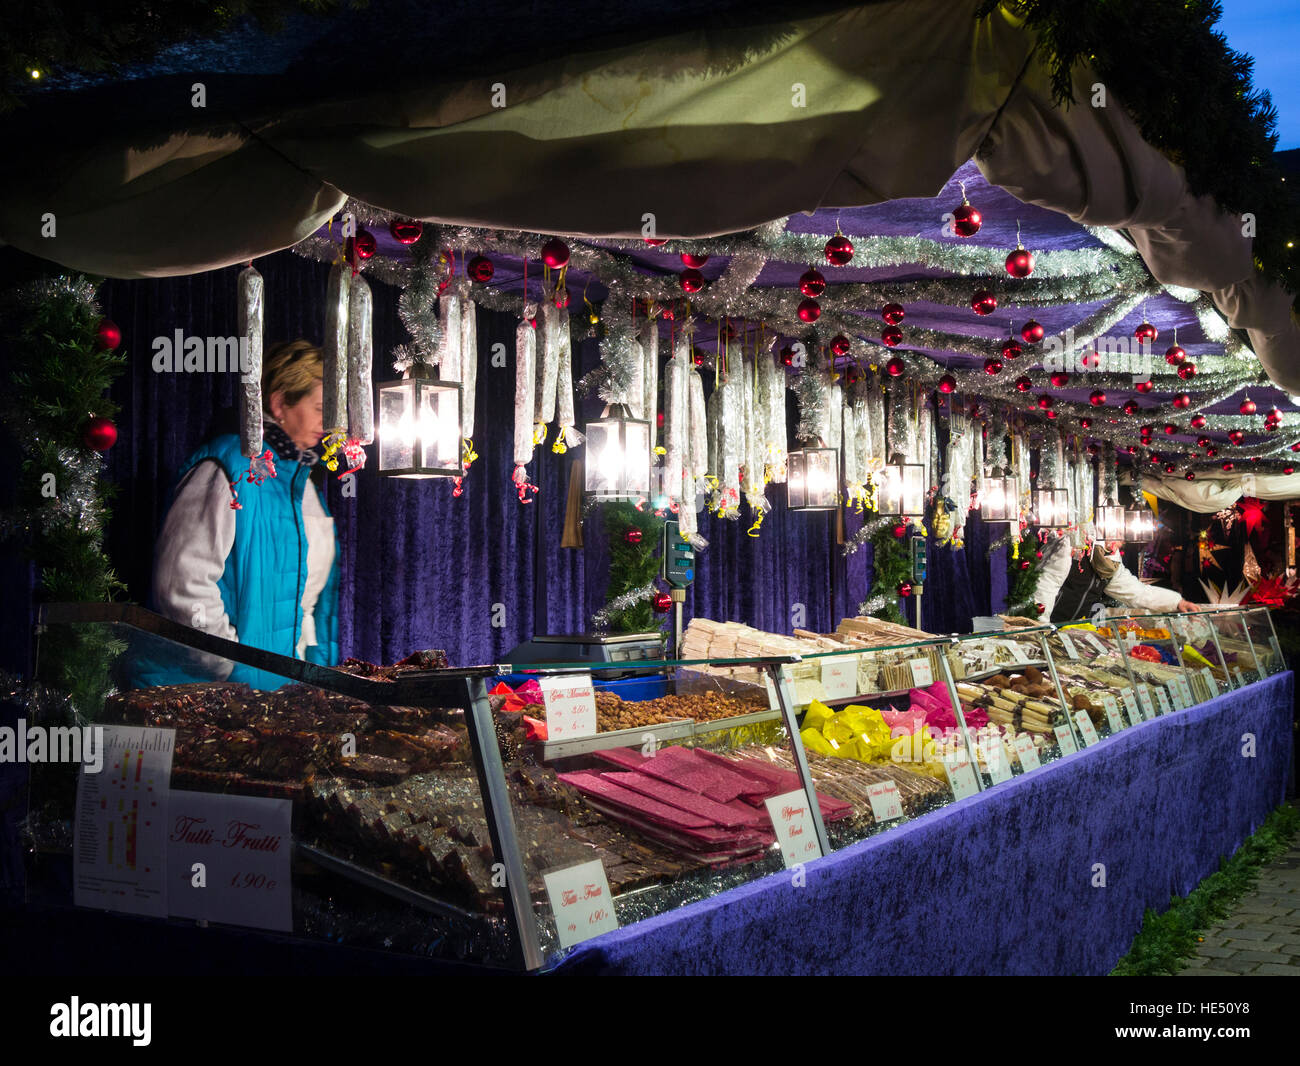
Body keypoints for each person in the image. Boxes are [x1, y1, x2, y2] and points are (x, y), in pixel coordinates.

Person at [139, 339, 340, 688]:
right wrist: (229, 669)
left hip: (276, 700)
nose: (330, 422)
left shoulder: (303, 484)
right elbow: (182, 586)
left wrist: (313, 678)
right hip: (212, 701)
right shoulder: (227, 468)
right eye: (322, 408)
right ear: (279, 403)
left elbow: (310, 605)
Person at [1035, 532, 1199, 624]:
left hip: (1073, 630)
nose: (1120, 543)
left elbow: (1137, 593)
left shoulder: (1110, 562)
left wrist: (1177, 602)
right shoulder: (1071, 546)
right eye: (1118, 535)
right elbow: (1045, 585)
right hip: (1047, 625)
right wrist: (1040, 626)